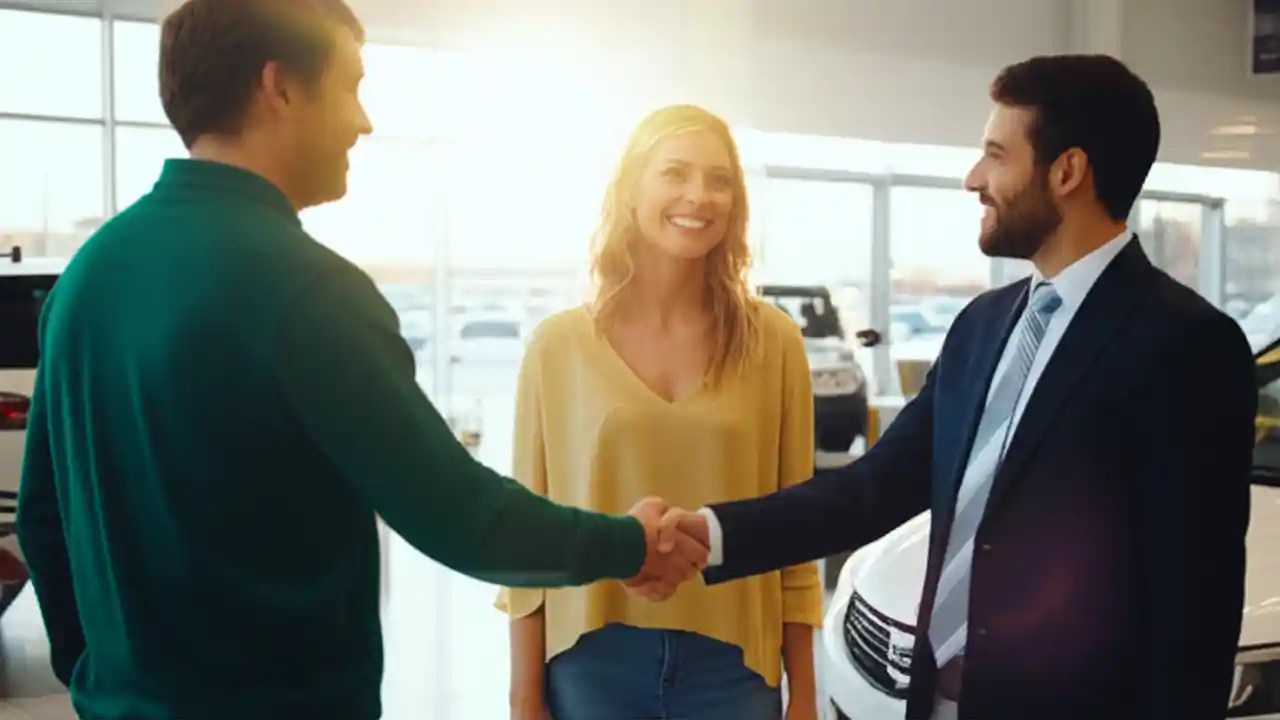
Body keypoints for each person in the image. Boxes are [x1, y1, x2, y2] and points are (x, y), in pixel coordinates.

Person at [15, 2, 704, 719]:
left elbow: (41, 519)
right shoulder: (307, 291)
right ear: (279, 87)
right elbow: (461, 516)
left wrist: (98, 678)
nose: (363, 120)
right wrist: (630, 545)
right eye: (350, 85)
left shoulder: (85, 280)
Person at [651, 55, 1259, 720]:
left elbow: (1193, 609)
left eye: (996, 155)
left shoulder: (1186, 347)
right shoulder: (983, 326)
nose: (975, 179)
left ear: (1067, 172)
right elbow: (874, 488)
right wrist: (710, 533)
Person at [496, 105, 823, 720]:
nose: (699, 196)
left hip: (735, 667)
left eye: (719, 179)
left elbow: (797, 534)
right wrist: (524, 697)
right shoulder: (558, 346)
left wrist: (804, 693)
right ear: (630, 190)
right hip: (590, 661)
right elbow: (527, 545)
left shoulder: (773, 342)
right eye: (675, 172)